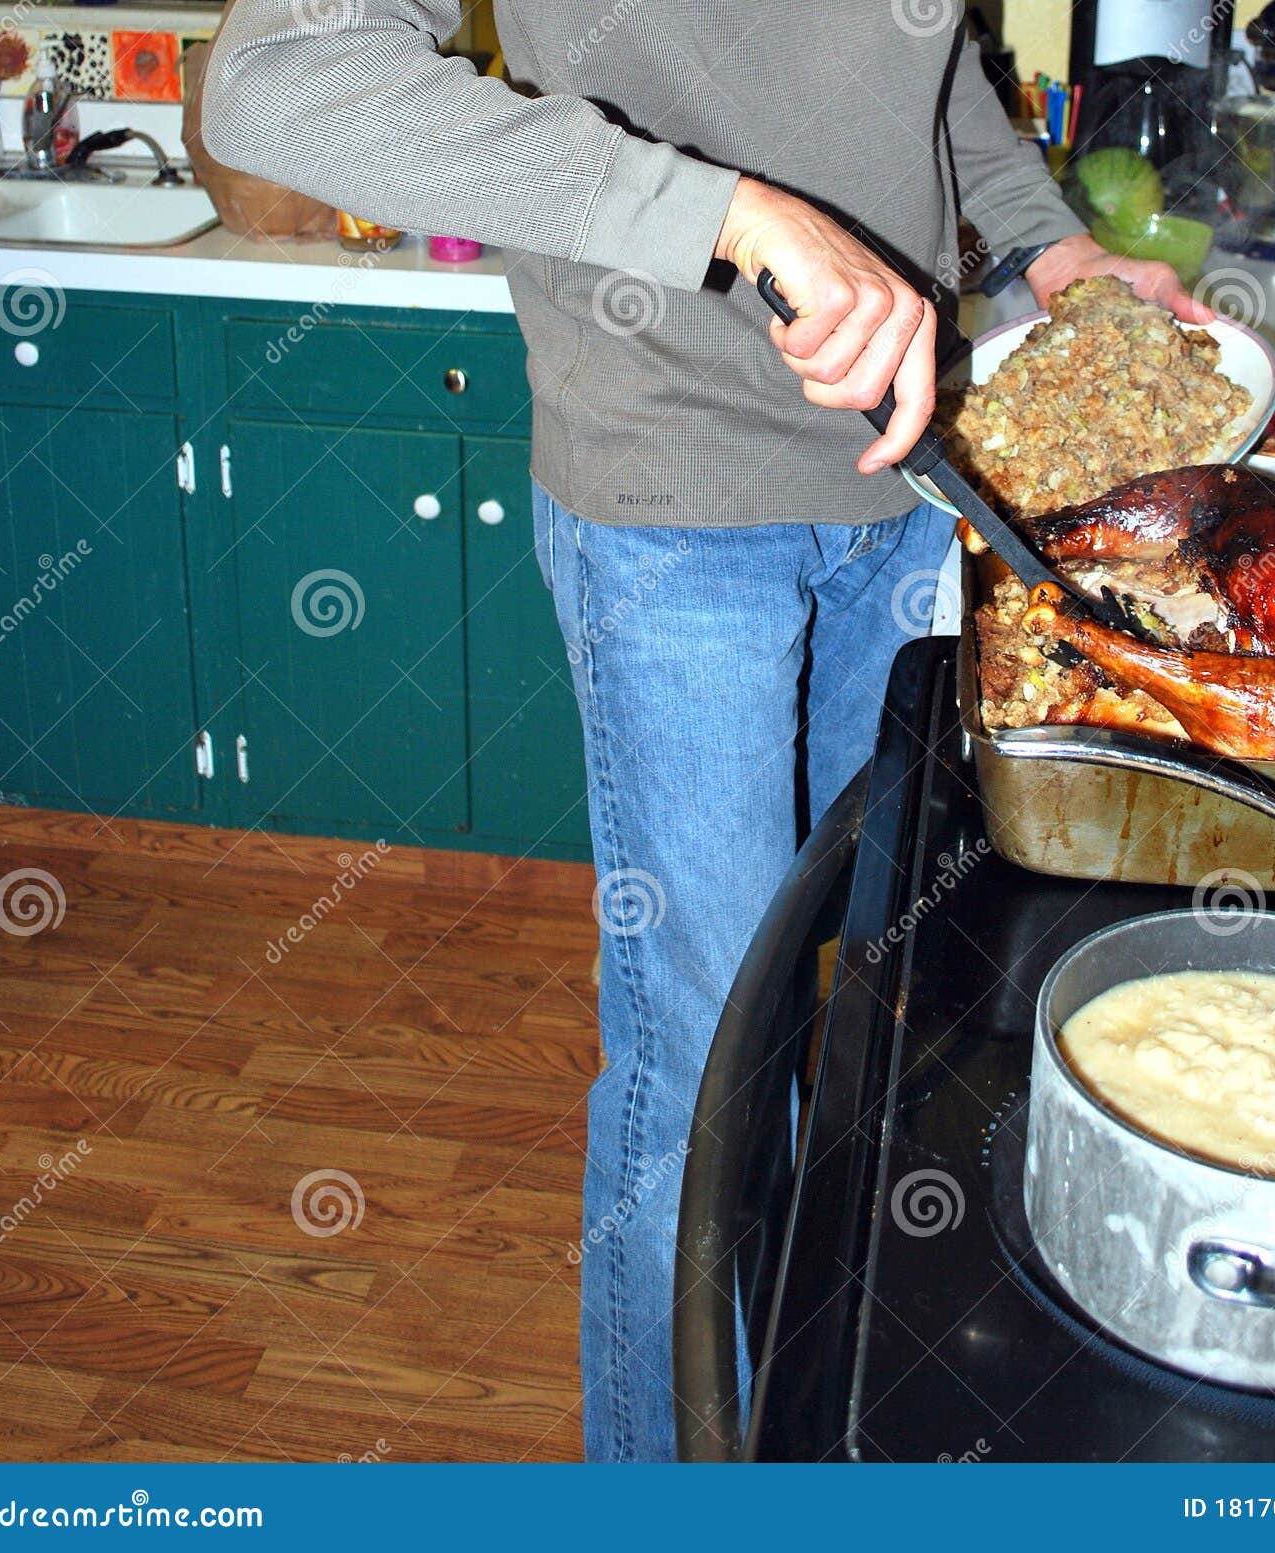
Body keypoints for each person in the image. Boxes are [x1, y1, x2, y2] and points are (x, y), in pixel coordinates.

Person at [202, 0, 1207, 1461]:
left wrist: (1052, 247)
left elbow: (929, 82)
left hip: (900, 475)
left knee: (856, 1023)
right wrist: (733, 216)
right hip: (670, 506)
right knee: (712, 1060)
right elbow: (273, 84)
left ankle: (787, 1434)